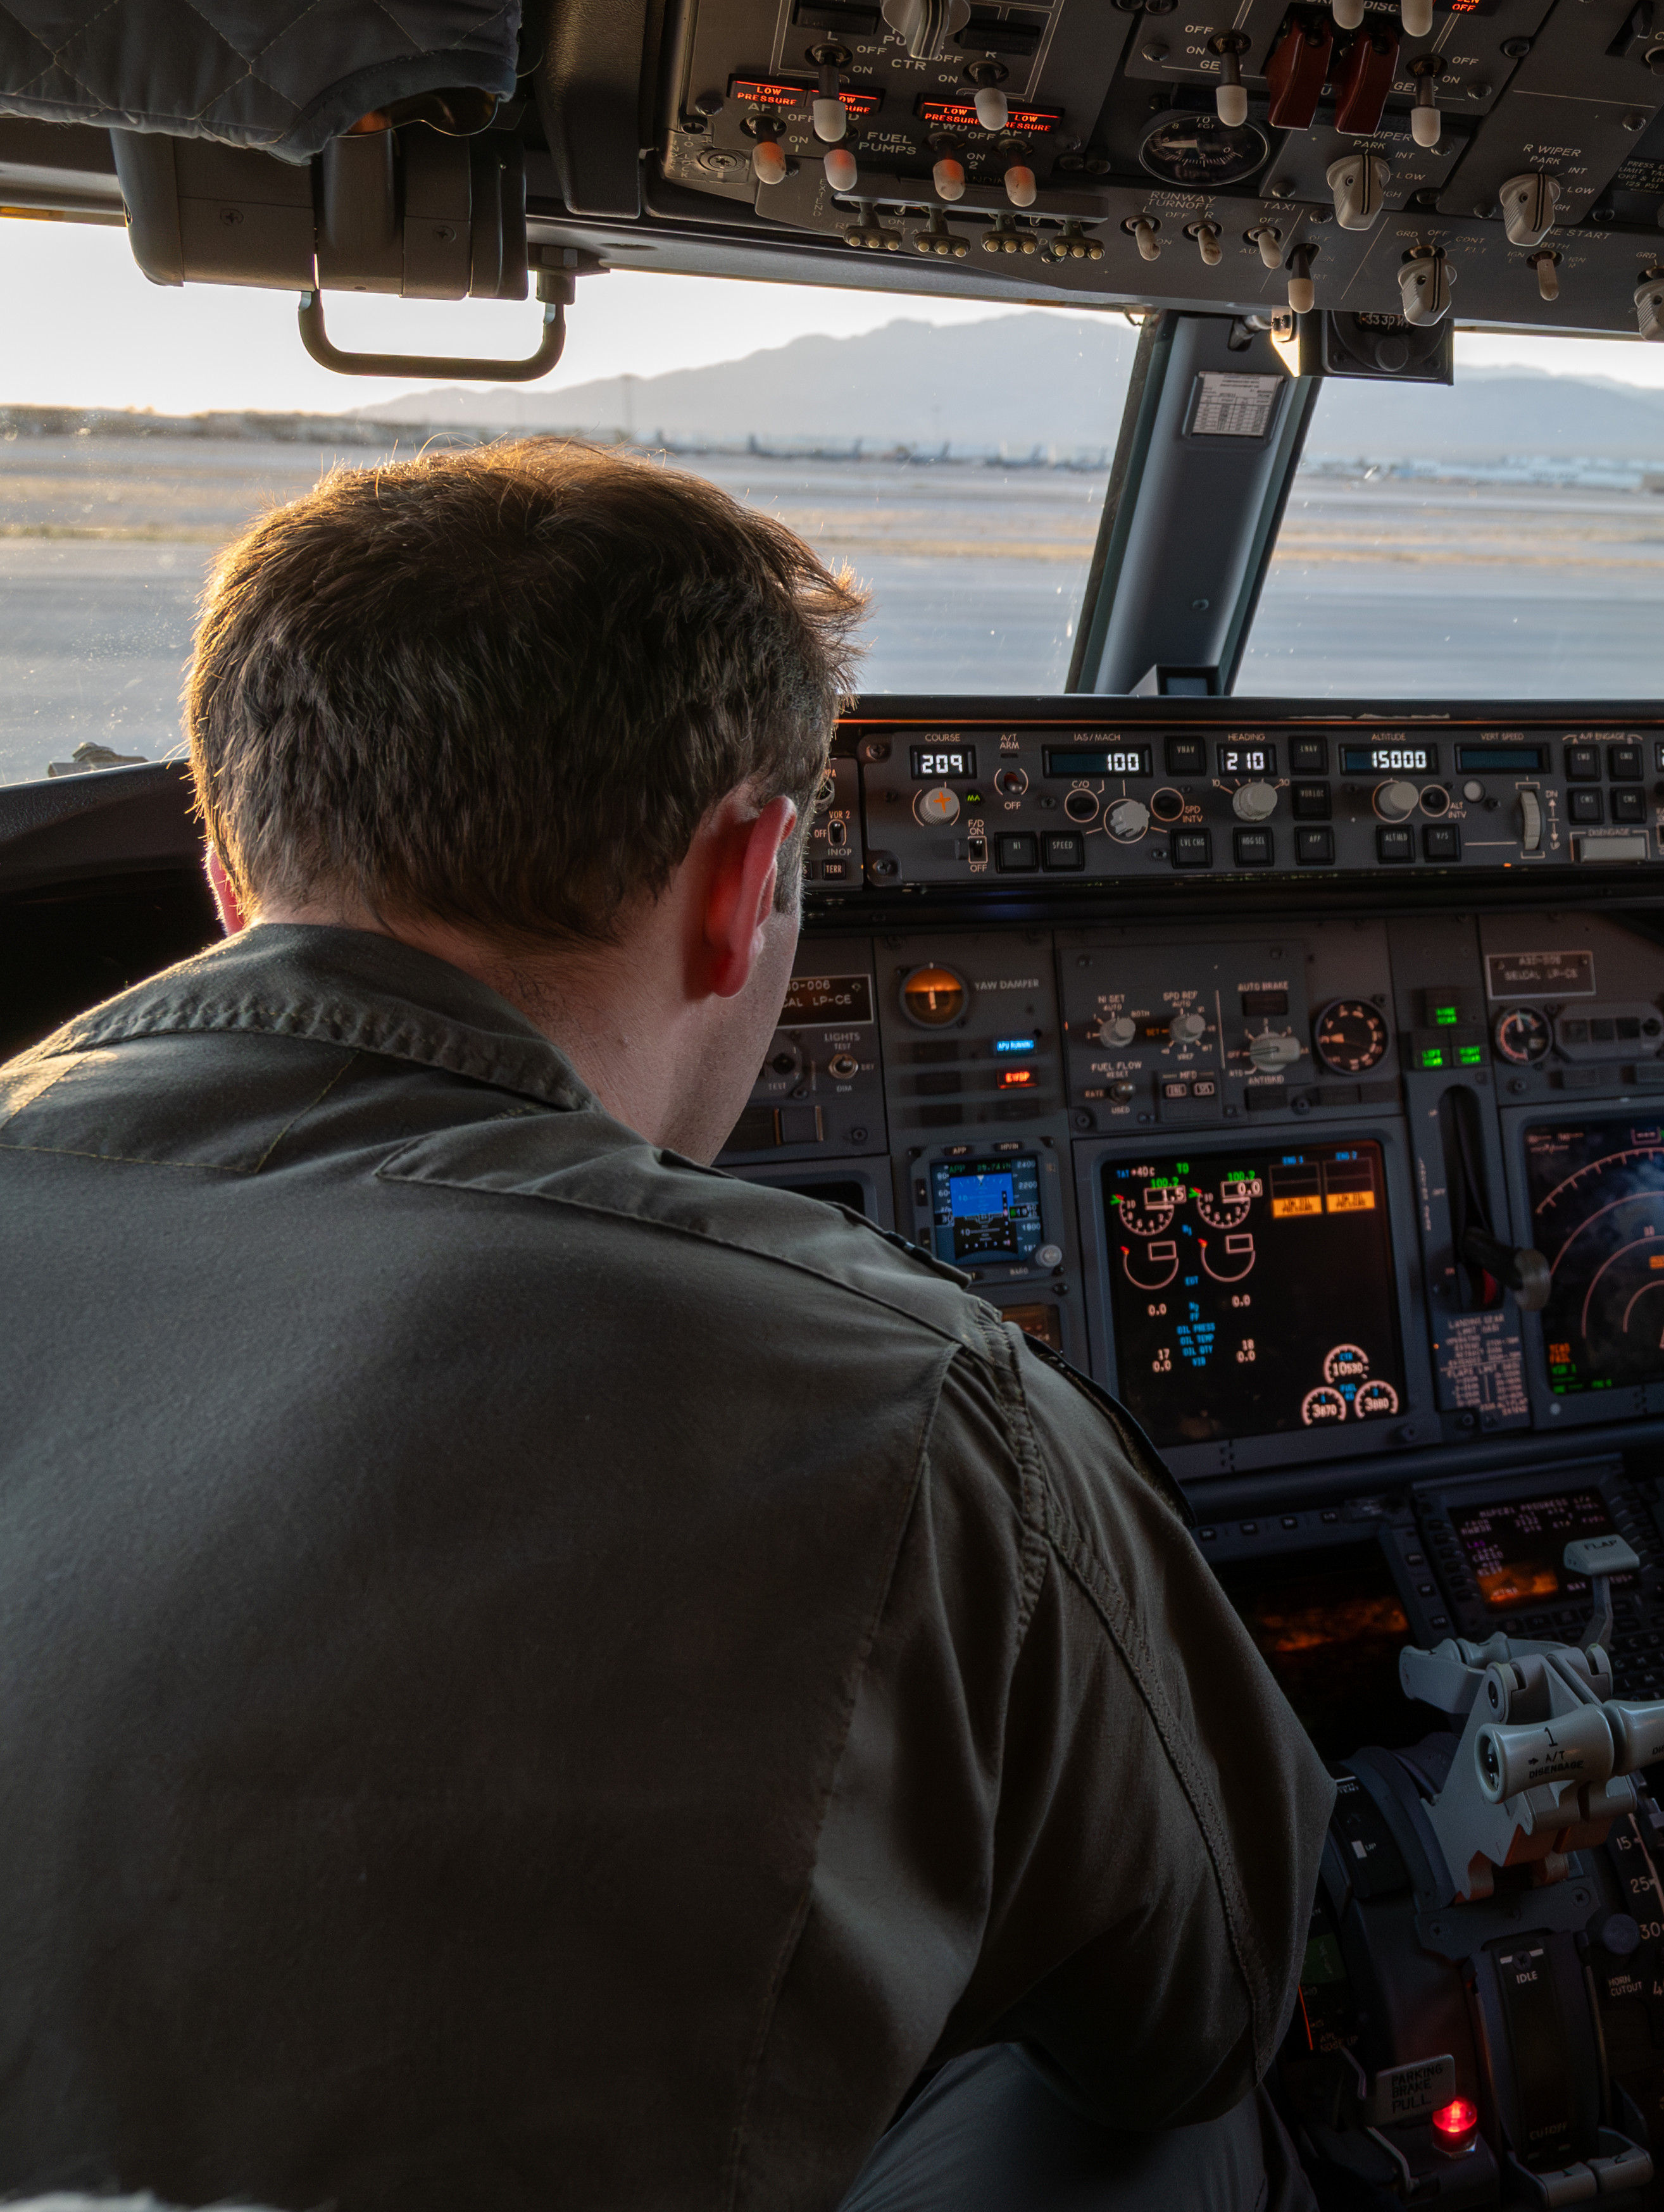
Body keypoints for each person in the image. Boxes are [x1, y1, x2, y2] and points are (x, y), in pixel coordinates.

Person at [0, 442, 1330, 2211]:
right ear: (744, 880)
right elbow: (1213, 1991)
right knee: (1165, 2122)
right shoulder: (895, 1400)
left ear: (231, 873)